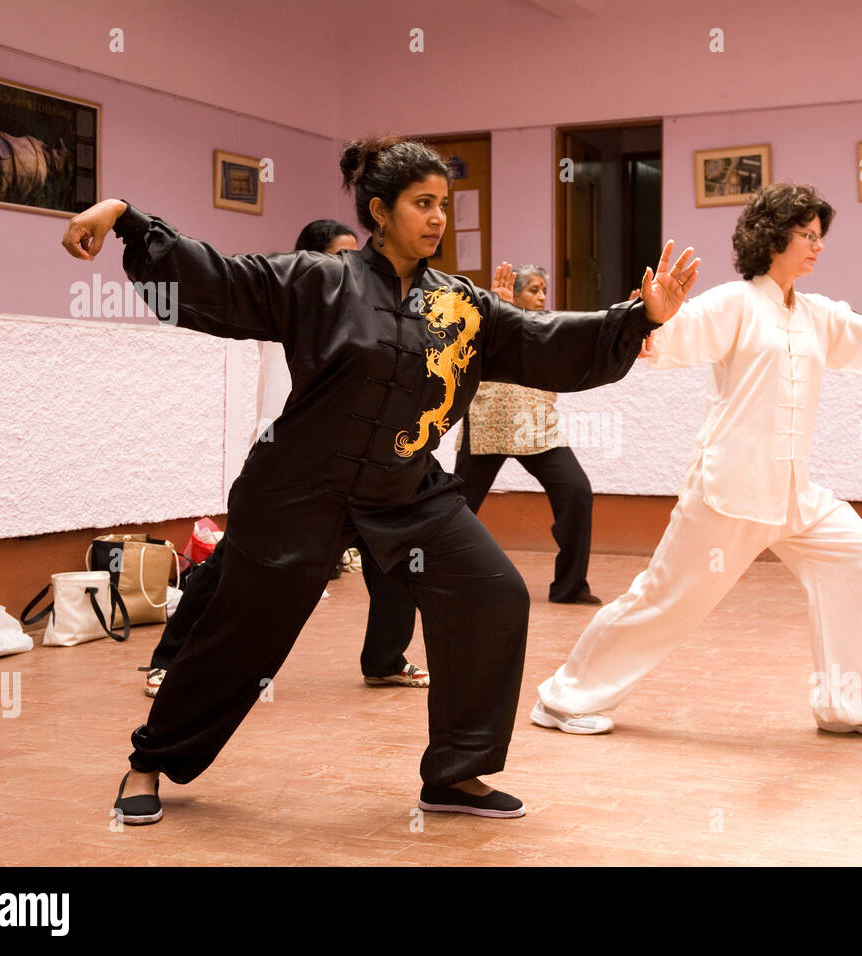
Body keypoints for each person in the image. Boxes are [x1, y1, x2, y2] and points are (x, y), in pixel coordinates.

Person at [61, 136, 699, 822]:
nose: (436, 219)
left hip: (405, 493)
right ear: (379, 210)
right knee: (237, 639)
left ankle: (456, 775)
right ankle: (149, 761)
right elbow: (217, 278)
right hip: (297, 492)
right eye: (422, 204)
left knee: (492, 593)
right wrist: (127, 218)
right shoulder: (318, 281)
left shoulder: (461, 306)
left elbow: (545, 342)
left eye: (443, 206)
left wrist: (640, 317)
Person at [533, 182, 862, 740]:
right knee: (664, 599)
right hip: (729, 492)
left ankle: (850, 706)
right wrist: (649, 316)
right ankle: (562, 698)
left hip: (793, 494)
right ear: (772, 237)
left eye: (821, 236)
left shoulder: (819, 315)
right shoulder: (735, 302)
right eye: (807, 235)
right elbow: (671, 340)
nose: (818, 246)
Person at [140, 220, 430, 699]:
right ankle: (170, 659)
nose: (353, 268)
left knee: (396, 562)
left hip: (362, 462)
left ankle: (384, 659)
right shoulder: (298, 302)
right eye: (341, 256)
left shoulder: (363, 311)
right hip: (295, 463)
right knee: (234, 562)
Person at [452, 263, 601, 605]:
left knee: (576, 492)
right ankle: (429, 576)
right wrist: (498, 309)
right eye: (533, 290)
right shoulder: (490, 319)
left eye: (544, 290)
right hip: (489, 424)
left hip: (538, 429)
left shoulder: (550, 326)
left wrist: (633, 317)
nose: (542, 297)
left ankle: (570, 586)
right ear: (516, 293)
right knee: (456, 507)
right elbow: (461, 348)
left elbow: (590, 340)